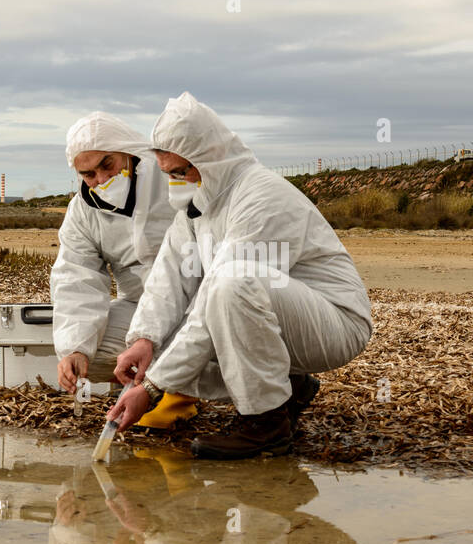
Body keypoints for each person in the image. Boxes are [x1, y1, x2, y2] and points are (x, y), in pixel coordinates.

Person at [106, 92, 374, 458]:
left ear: (209, 158)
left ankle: (266, 423)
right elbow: (169, 278)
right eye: (168, 174)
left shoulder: (260, 196)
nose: (175, 182)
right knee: (182, 322)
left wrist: (152, 388)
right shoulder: (199, 204)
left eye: (181, 172)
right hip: (287, 317)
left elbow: (221, 293)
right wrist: (144, 339)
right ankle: (290, 388)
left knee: (230, 283)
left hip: (334, 324)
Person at [50, 111, 196, 428]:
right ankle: (145, 389)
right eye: (88, 174)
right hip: (139, 304)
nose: (101, 180)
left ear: (127, 152)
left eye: (107, 164)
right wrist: (76, 347)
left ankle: (176, 394)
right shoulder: (82, 213)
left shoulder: (172, 177)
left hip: (199, 299)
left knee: (208, 332)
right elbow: (77, 278)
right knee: (90, 352)